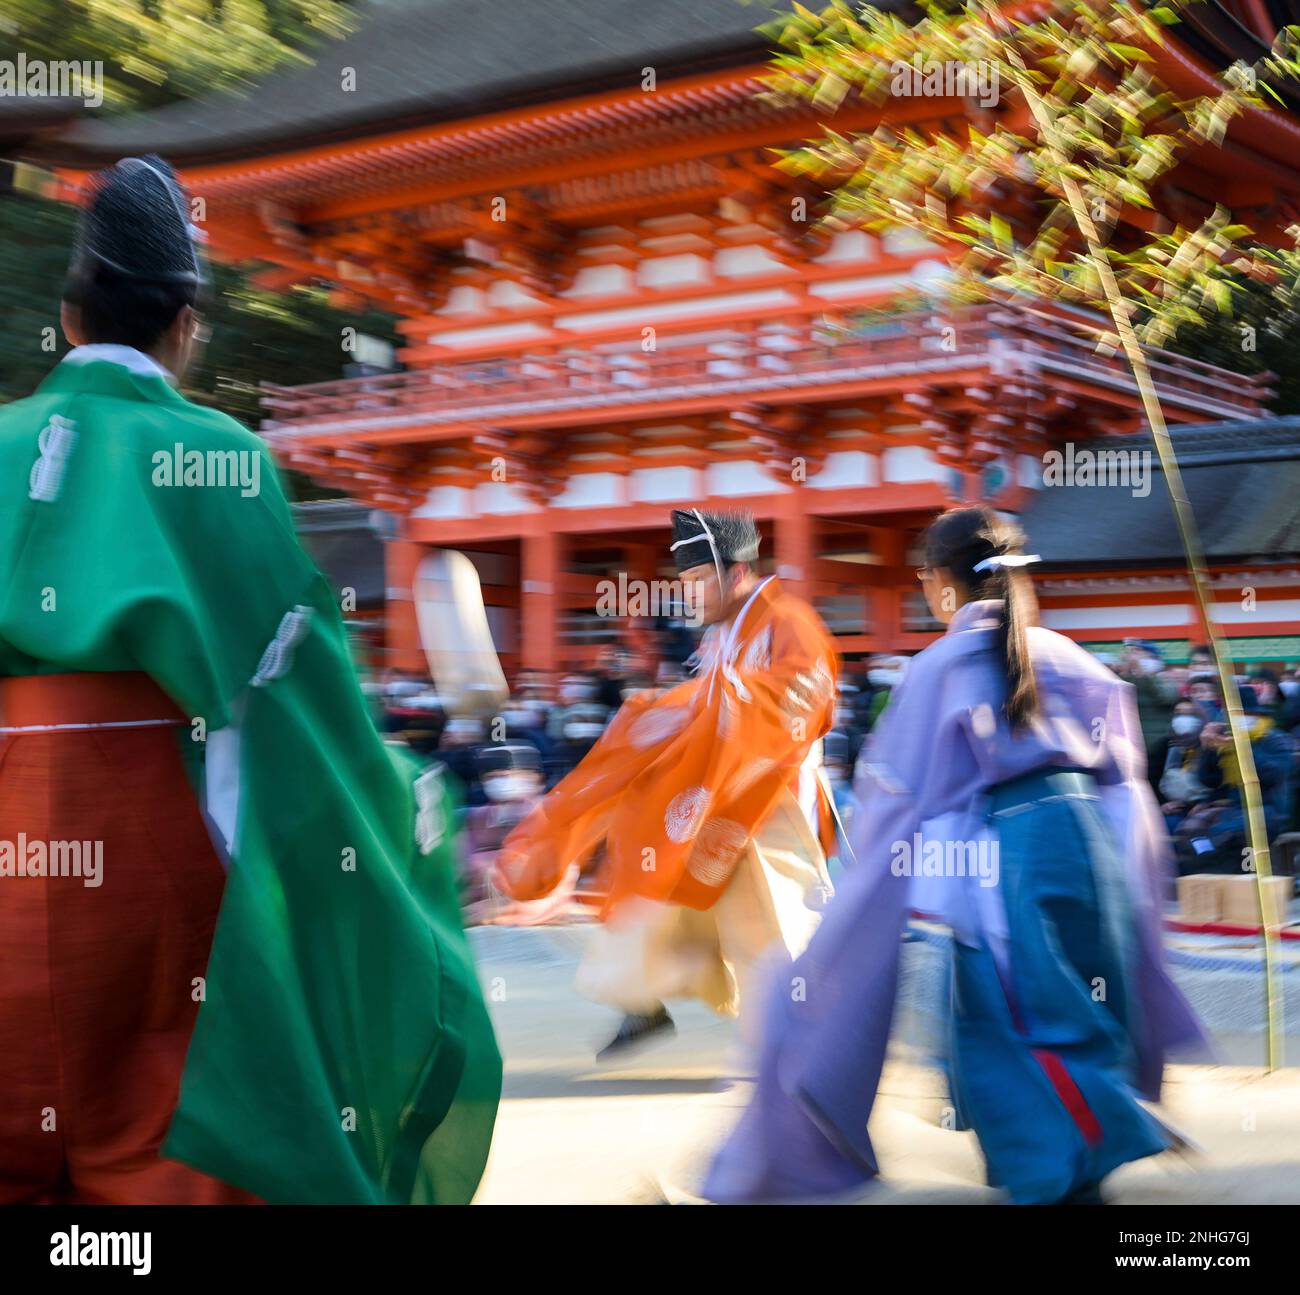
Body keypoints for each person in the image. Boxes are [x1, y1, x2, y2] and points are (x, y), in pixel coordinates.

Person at [0, 157, 500, 1204]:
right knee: (161, 1147)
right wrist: (403, 802)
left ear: (67, 312)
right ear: (186, 324)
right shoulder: (218, 458)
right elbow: (286, 713)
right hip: (144, 855)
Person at [703, 505, 1207, 1205]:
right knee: (1078, 1004)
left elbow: (900, 802)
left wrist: (853, 907)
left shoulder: (937, 666)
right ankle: (1084, 1148)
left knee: (1008, 1022)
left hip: (1000, 862)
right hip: (1096, 846)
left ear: (941, 583)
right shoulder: (1069, 655)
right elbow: (1127, 776)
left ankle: (1081, 1150)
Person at [495, 508, 838, 1059]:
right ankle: (641, 1002)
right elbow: (708, 704)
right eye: (685, 583)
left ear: (737, 571)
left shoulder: (788, 620)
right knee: (651, 889)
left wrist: (705, 708)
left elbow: (805, 698)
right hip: (712, 789)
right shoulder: (724, 631)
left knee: (766, 925)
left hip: (768, 796)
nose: (692, 595)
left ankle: (794, 1044)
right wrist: (667, 721)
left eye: (700, 580)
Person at [1172, 685, 1294, 875]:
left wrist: (1241, 747)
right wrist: (1208, 749)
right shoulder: (1224, 741)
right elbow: (1209, 780)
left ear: (1255, 715)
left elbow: (1272, 775)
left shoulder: (1275, 739)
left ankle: (1232, 875)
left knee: (1224, 834)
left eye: (1241, 714)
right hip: (1232, 809)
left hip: (1267, 810)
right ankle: (1204, 866)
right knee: (1191, 834)